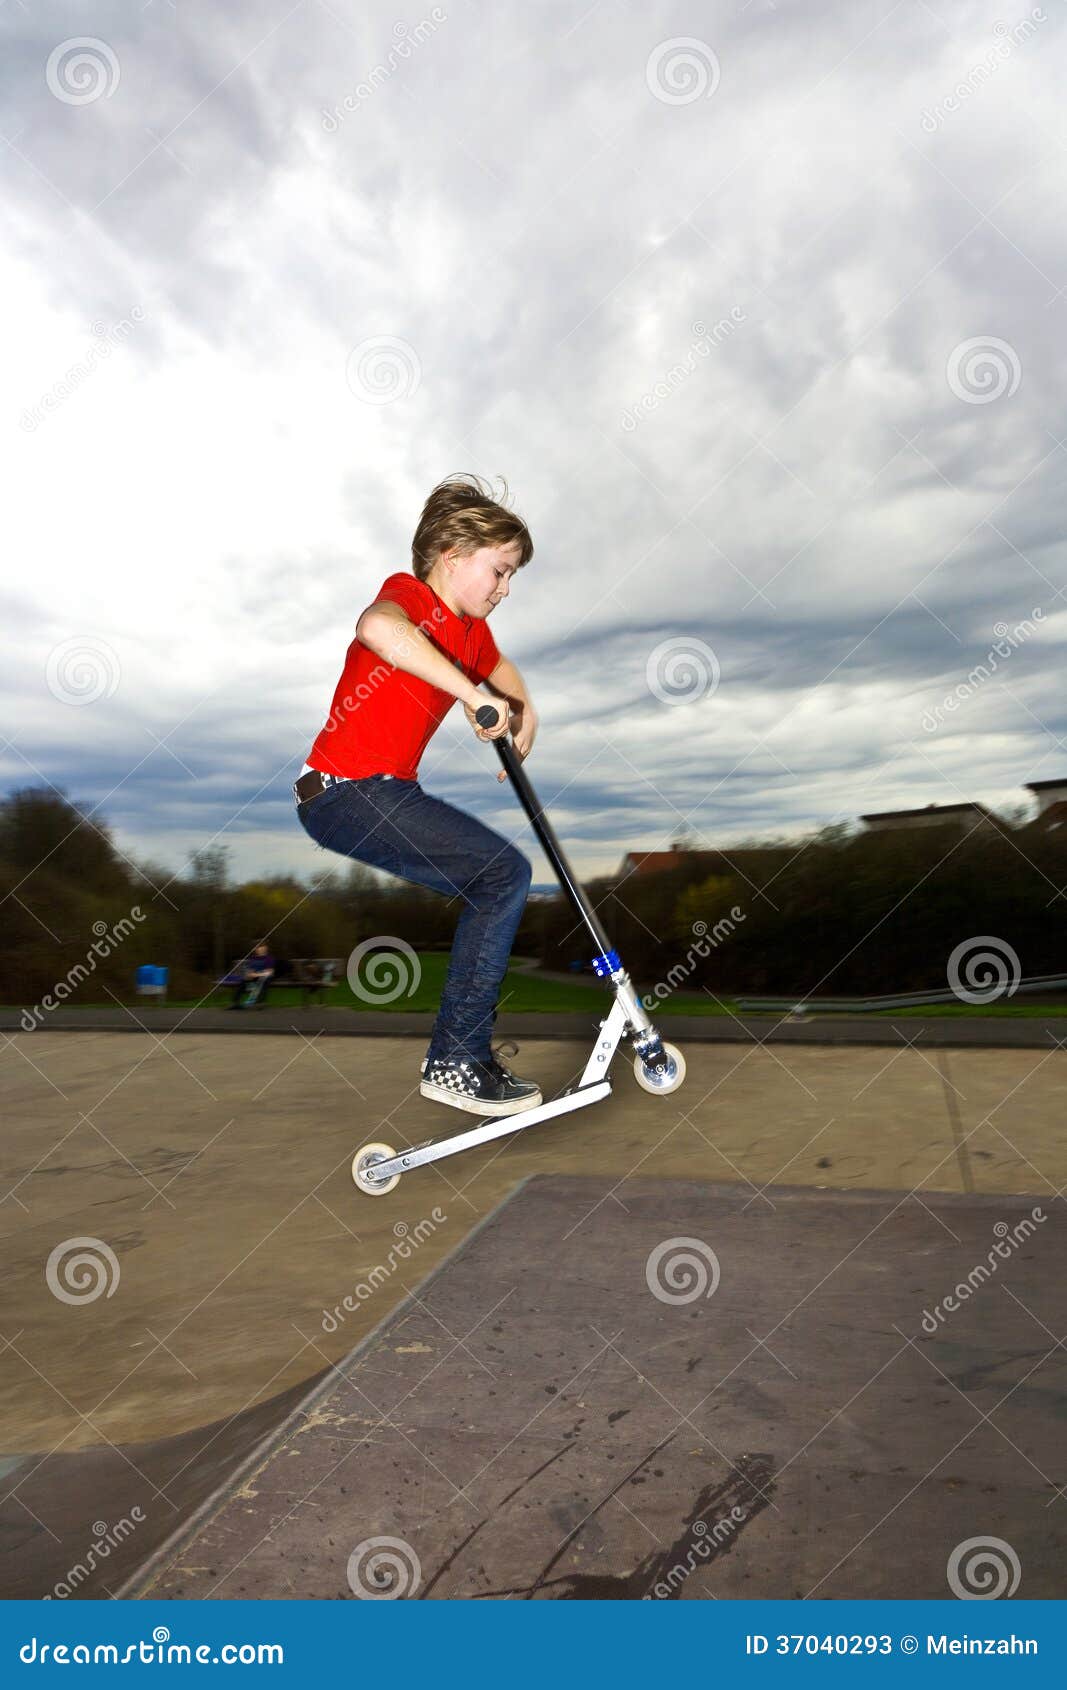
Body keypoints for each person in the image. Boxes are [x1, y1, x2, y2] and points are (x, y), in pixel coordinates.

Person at [293, 474, 540, 1118]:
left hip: (382, 793)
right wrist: (473, 696)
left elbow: (501, 668)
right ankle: (456, 1058)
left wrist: (524, 708)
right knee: (503, 875)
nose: (505, 589)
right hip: (343, 791)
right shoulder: (411, 597)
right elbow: (377, 627)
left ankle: (462, 1054)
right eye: (500, 571)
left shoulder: (470, 634)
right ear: (452, 557)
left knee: (500, 876)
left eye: (512, 576)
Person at [228, 942, 275, 1008]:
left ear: (266, 948)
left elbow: (269, 972)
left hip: (264, 977)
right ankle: (235, 1003)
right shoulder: (253, 958)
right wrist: (249, 974)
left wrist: (257, 974)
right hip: (253, 977)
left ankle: (260, 1002)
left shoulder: (269, 958)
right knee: (243, 982)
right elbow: (250, 970)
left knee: (263, 981)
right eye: (258, 948)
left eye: (262, 947)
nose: (260, 949)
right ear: (256, 949)